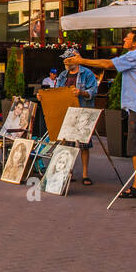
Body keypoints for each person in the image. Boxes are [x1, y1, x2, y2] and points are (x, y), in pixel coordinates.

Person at [67, 30, 136, 199]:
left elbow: (107, 64)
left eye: (128, 38)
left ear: (135, 43)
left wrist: (80, 60)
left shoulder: (135, 56)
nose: (124, 39)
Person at [52, 47, 99, 185]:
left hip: (83, 112)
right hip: (67, 113)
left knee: (84, 144)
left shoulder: (87, 74)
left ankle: (85, 174)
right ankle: (68, 171)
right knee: (67, 143)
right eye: (64, 59)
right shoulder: (62, 75)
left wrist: (81, 92)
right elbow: (57, 92)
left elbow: (93, 91)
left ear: (76, 59)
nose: (65, 61)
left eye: (68, 59)